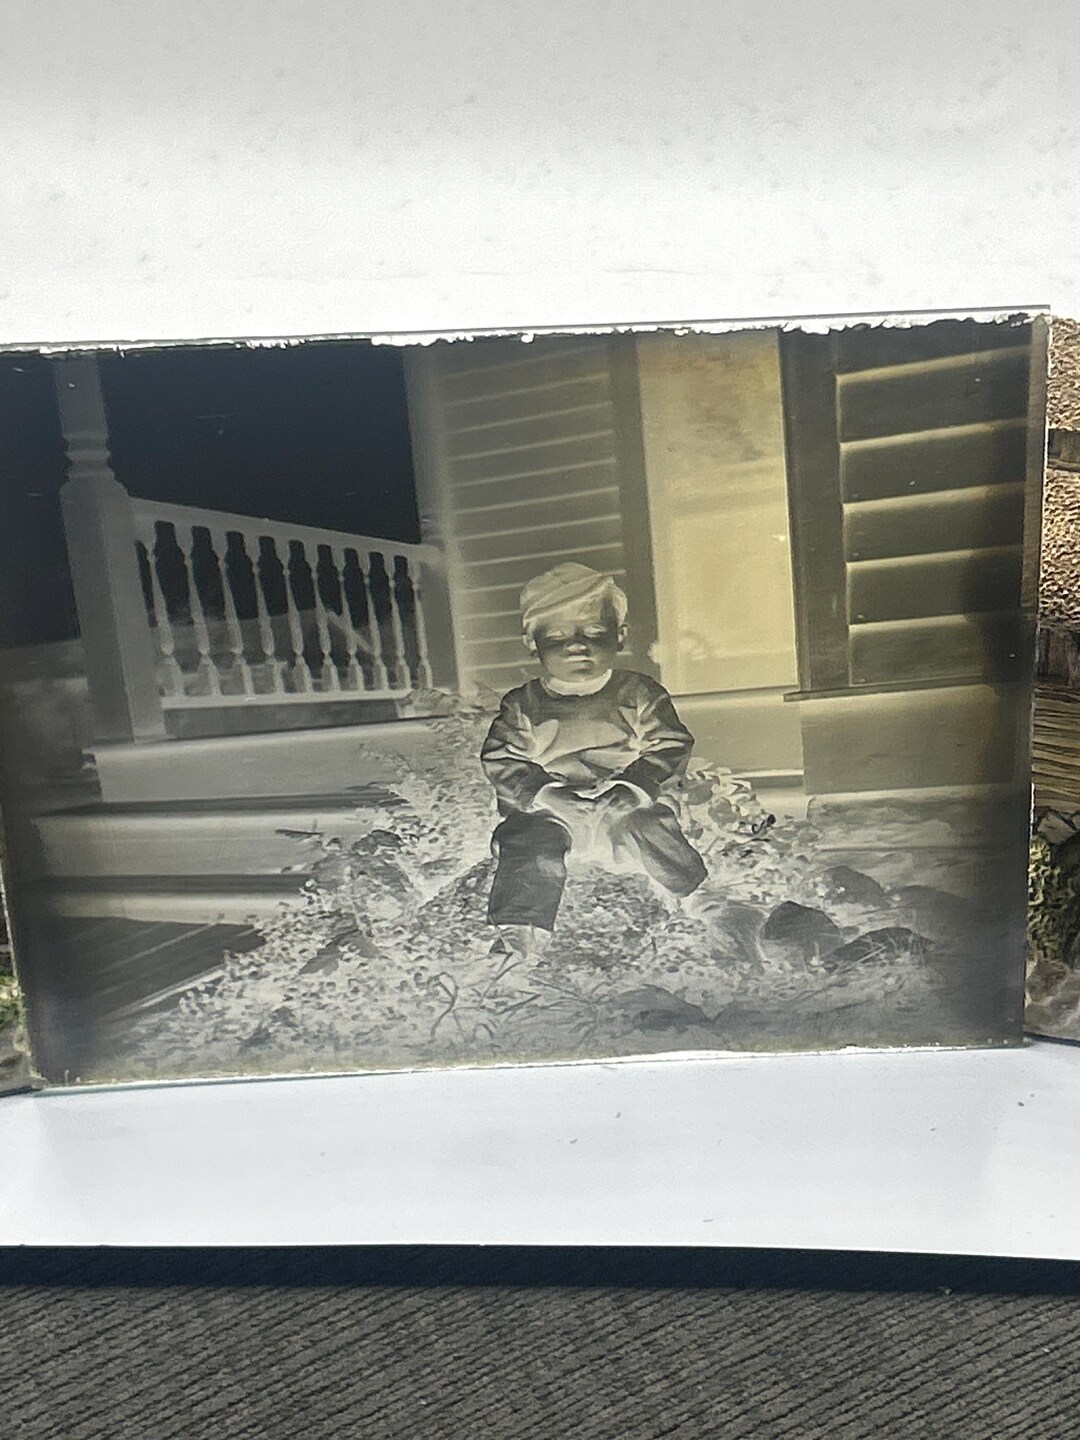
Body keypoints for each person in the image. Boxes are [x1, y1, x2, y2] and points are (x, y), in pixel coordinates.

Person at [480, 562, 708, 957]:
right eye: (556, 635)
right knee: (527, 840)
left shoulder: (638, 691)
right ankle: (518, 933)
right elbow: (502, 757)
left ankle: (699, 899)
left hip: (618, 806)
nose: (577, 644)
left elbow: (669, 743)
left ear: (619, 636)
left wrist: (634, 786)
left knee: (649, 824)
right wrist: (547, 794)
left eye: (595, 632)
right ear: (531, 642)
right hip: (552, 812)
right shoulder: (522, 703)